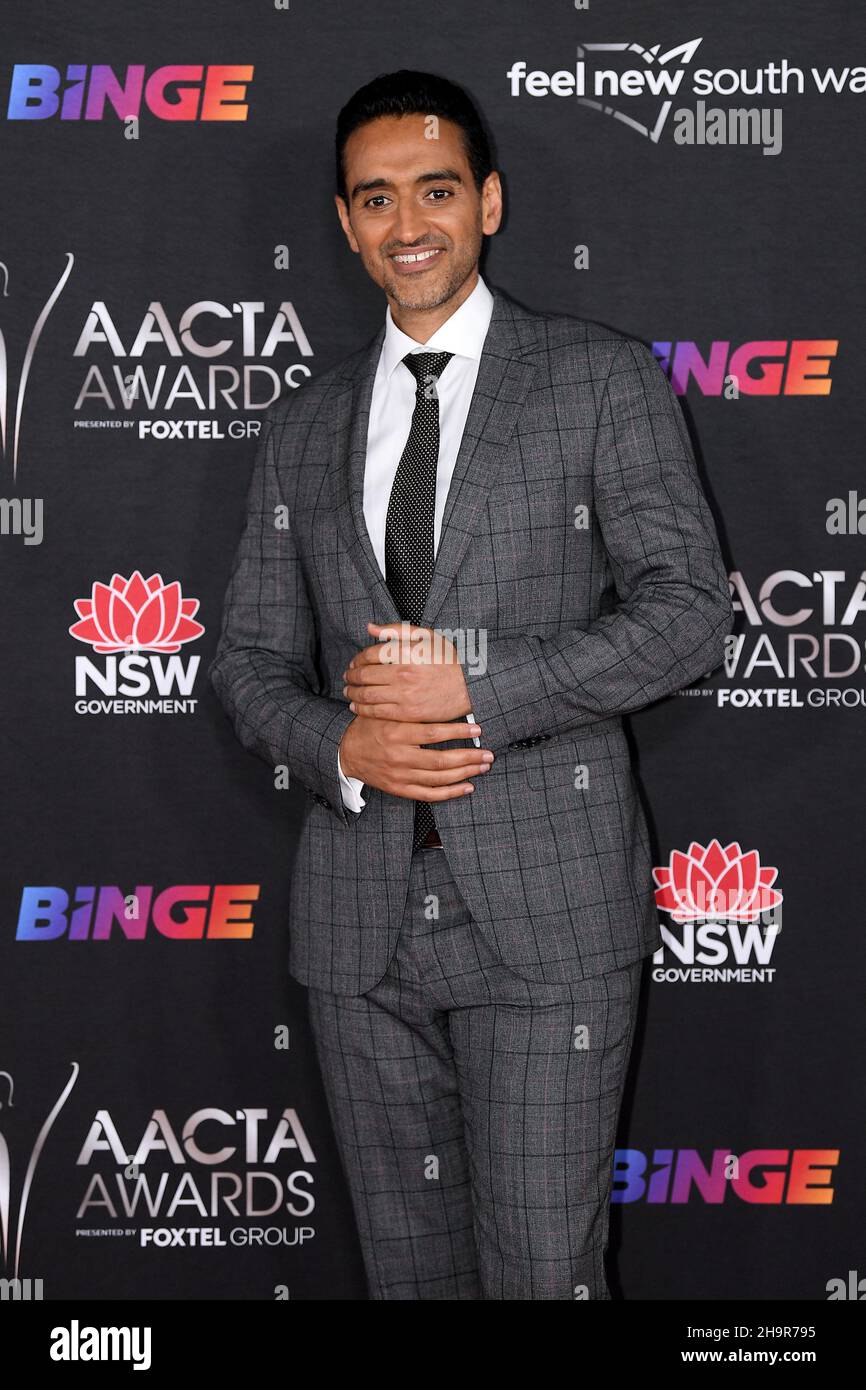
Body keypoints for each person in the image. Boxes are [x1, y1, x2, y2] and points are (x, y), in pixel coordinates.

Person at [210, 68, 733, 1300]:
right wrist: (343, 747)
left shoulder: (596, 379)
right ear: (343, 223)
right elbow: (245, 662)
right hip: (358, 928)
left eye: (435, 191)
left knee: (542, 1274)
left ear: (487, 202)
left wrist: (479, 694)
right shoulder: (304, 419)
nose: (408, 226)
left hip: (547, 922)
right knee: (408, 1279)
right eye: (375, 198)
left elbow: (688, 616)